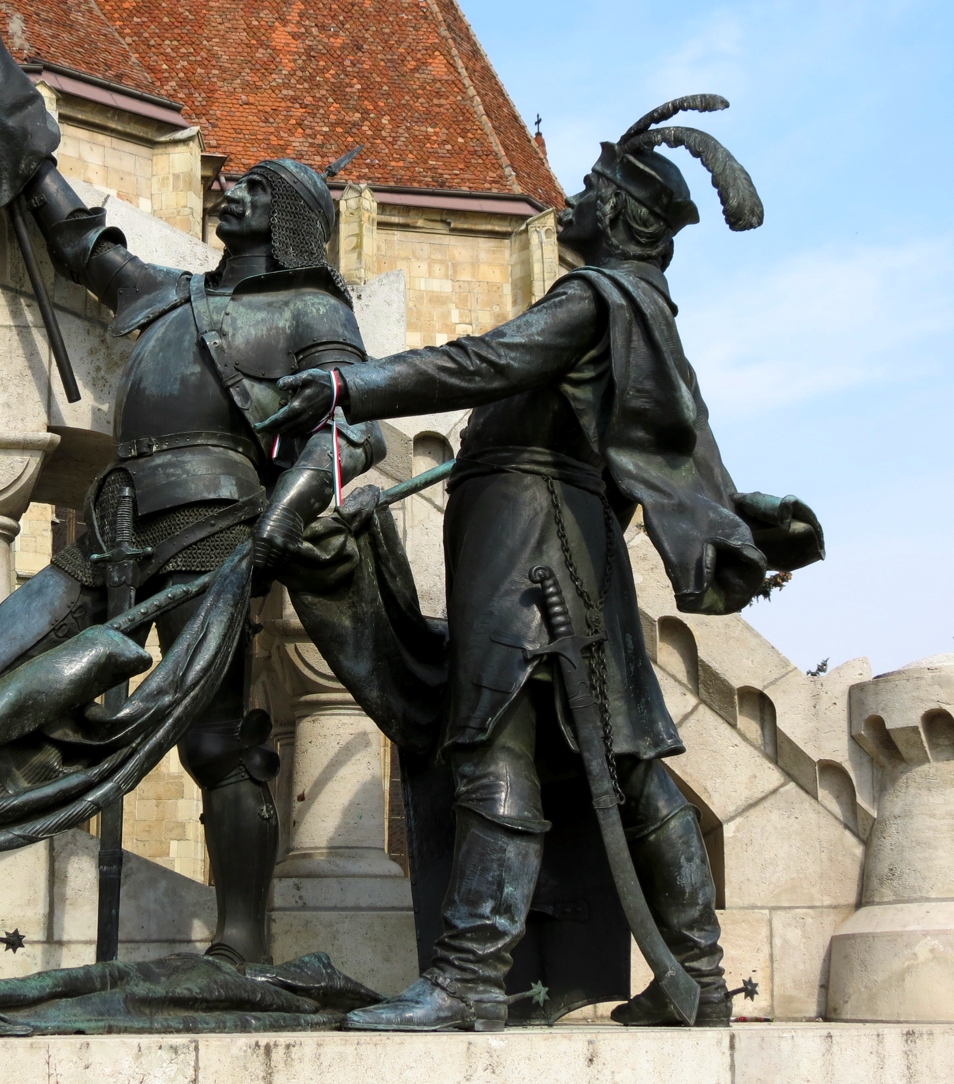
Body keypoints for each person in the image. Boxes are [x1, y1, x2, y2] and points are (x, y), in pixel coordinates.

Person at [258, 96, 823, 1030]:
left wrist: (342, 381)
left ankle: (470, 977)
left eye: (592, 192)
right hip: (560, 540)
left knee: (494, 743)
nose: (573, 204)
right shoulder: (636, 310)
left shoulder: (591, 298)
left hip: (528, 545)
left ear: (628, 218)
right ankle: (702, 980)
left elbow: (482, 363)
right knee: (631, 761)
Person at [0, 154, 385, 966]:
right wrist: (28, 156)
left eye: (253, 186)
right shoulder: (170, 292)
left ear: (288, 217)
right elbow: (82, 247)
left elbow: (352, 422)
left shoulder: (310, 309)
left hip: (215, 520)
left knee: (215, 740)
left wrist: (285, 510)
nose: (228, 190)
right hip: (115, 522)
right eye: (231, 180)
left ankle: (242, 941)